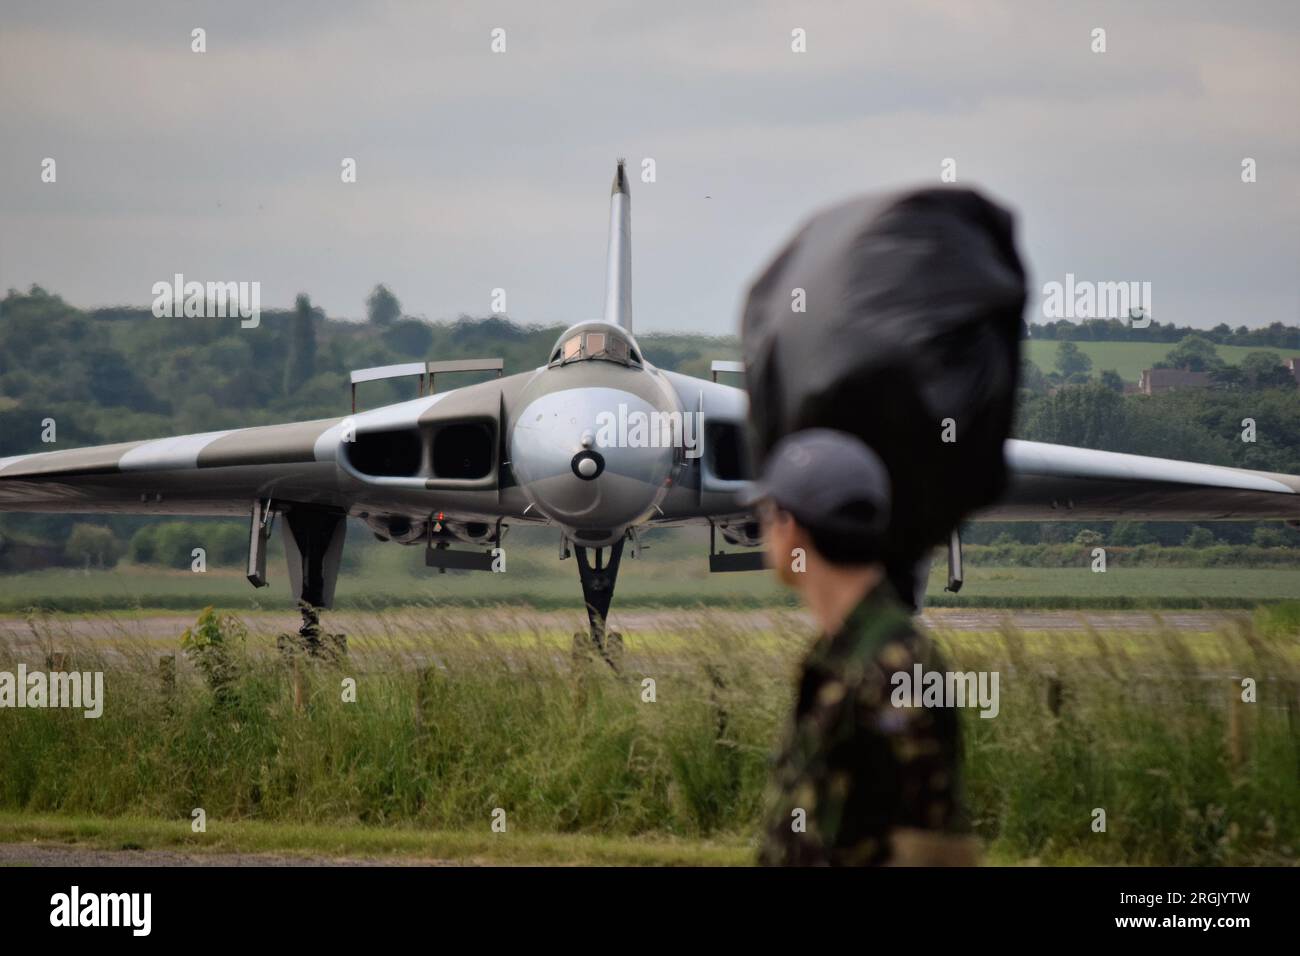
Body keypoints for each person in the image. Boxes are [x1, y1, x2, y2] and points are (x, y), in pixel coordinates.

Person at [748, 428, 978, 866]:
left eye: (766, 512)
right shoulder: (836, 654)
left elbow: (933, 848)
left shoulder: (895, 665)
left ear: (790, 526)